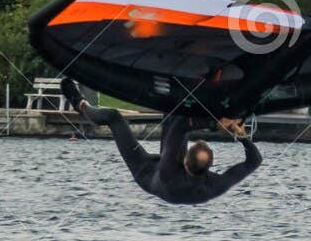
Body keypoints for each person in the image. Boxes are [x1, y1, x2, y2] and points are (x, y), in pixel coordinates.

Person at [64, 79, 262, 205]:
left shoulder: (170, 172)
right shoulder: (216, 185)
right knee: (177, 112)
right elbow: (255, 161)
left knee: (114, 116)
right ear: (210, 166)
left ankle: (78, 103)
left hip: (146, 172)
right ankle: (193, 82)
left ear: (184, 160)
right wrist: (241, 136)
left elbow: (179, 127)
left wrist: (214, 123)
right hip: (176, 174)